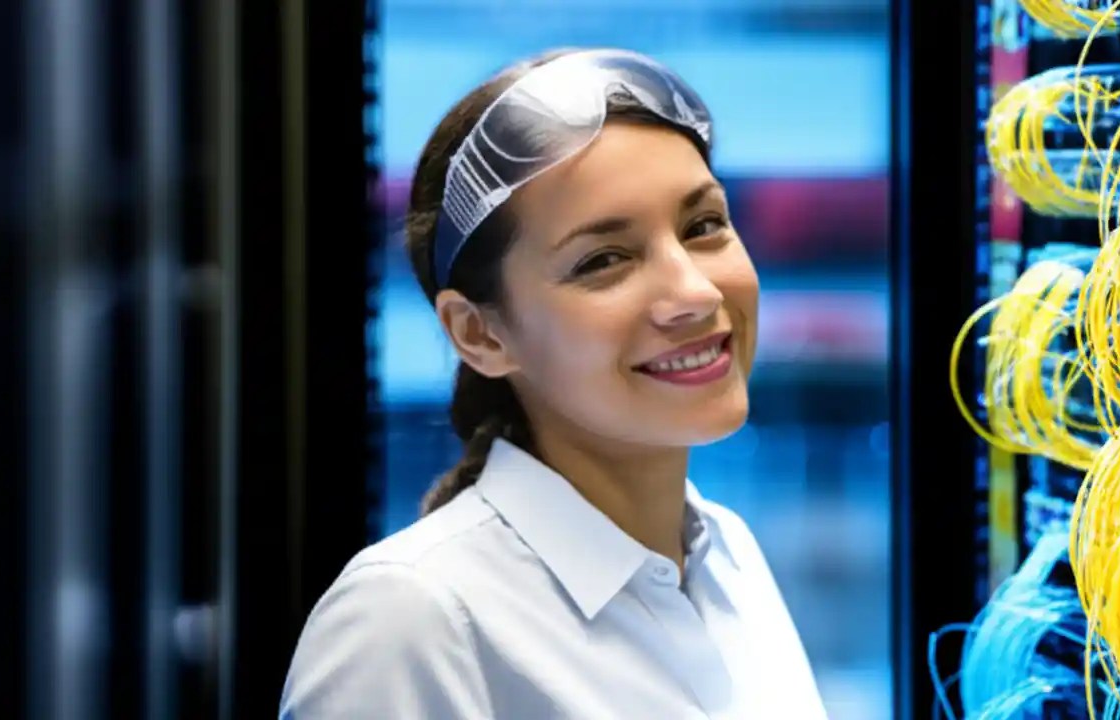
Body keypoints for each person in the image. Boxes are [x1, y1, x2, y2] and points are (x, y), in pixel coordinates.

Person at [279, 47, 828, 720]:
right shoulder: (412, 619)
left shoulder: (727, 554)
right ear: (480, 335)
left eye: (704, 225)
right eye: (603, 260)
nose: (693, 290)